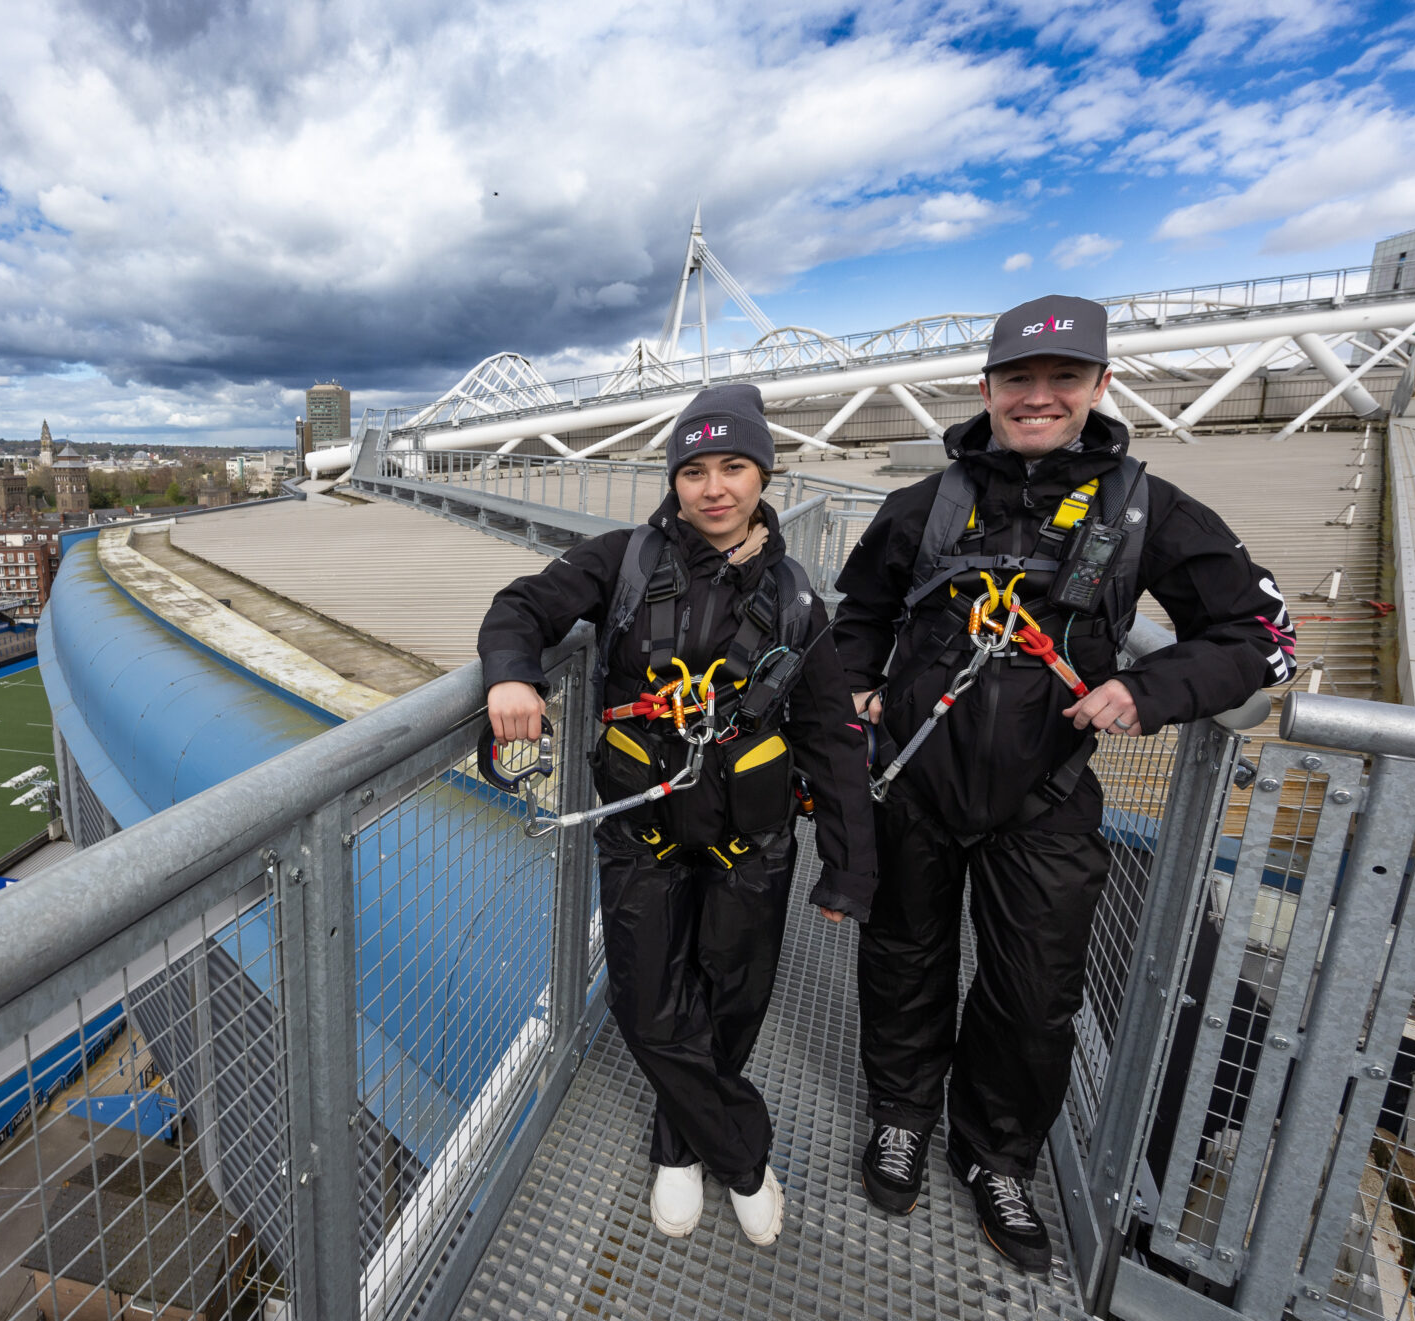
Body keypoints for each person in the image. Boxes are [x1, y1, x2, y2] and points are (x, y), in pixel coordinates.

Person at [833, 296, 1296, 1273]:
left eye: (1062, 379)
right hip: (914, 786)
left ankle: (993, 1154)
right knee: (901, 960)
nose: (1038, 396)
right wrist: (861, 693)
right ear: (986, 388)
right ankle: (902, 1116)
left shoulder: (1146, 511)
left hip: (1043, 797)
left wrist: (1149, 686)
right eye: (1018, 379)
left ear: (1098, 386)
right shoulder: (918, 507)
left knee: (1032, 992)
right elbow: (854, 620)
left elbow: (1261, 638)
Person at [479, 383, 877, 1247]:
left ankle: (677, 1140)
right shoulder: (620, 561)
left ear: (763, 473)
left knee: (735, 999)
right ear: (675, 479)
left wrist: (851, 863)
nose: (714, 487)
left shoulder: (800, 600)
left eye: (734, 466)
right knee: (648, 1004)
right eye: (693, 469)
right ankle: (741, 1152)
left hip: (755, 842)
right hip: (642, 834)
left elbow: (833, 736)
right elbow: (523, 603)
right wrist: (513, 672)